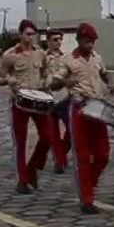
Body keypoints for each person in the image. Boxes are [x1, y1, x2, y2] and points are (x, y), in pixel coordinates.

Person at [47, 22, 111, 214]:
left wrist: (111, 83)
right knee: (82, 156)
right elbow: (55, 84)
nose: (89, 44)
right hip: (80, 110)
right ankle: (87, 199)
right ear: (78, 40)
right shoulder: (68, 60)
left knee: (103, 154)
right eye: (85, 41)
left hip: (98, 109)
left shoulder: (97, 58)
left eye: (92, 41)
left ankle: (88, 184)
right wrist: (65, 81)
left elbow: (105, 75)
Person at [0, 19, 55, 194]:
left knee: (47, 137)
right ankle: (22, 181)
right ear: (21, 35)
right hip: (20, 101)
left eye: (33, 34)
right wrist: (8, 80)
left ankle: (33, 168)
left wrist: (47, 81)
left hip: (39, 100)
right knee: (20, 142)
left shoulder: (40, 54)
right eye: (28, 34)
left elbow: (45, 72)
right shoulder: (10, 55)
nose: (31, 37)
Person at [44, 29, 71, 174]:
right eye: (54, 39)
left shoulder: (67, 57)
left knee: (71, 128)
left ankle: (62, 153)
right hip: (47, 97)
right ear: (48, 41)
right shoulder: (42, 58)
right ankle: (59, 161)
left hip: (65, 97)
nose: (58, 42)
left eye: (60, 39)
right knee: (52, 132)